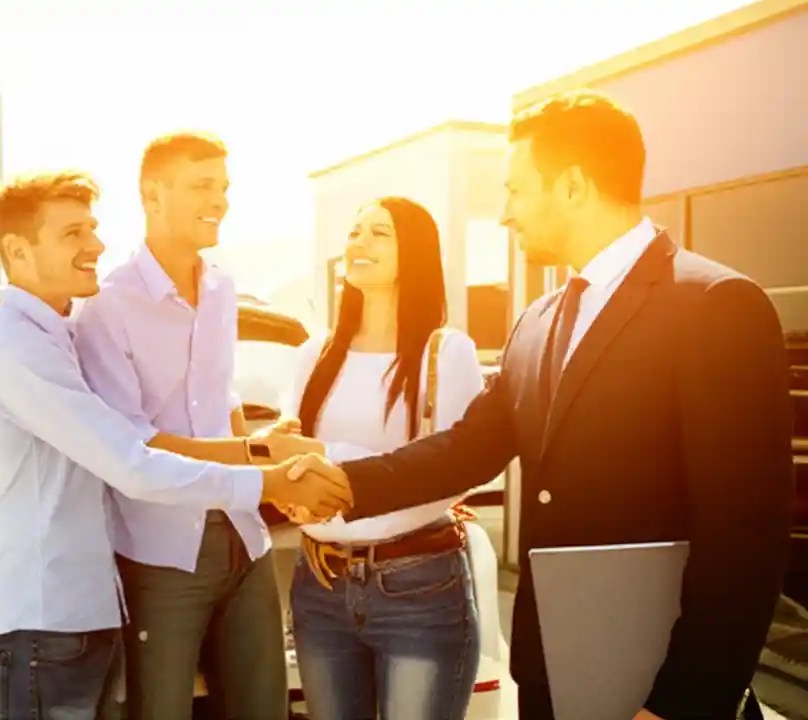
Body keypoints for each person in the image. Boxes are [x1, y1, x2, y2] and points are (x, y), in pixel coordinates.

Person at [288, 90, 794, 719]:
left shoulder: (717, 305)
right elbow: (470, 448)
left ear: (574, 185)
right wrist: (343, 483)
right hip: (554, 672)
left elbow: (746, 535)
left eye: (517, 190)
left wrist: (680, 703)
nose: (504, 213)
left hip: (658, 686)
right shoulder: (539, 319)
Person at [0, 170, 353, 720]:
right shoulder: (16, 349)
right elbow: (131, 463)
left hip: (79, 621)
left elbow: (195, 397)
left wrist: (255, 448)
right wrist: (266, 478)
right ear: (17, 251)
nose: (95, 244)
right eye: (73, 233)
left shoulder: (62, 337)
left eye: (93, 228)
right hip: (39, 631)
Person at [72, 132, 318, 718]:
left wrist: (264, 454)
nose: (221, 201)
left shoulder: (222, 290)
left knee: (264, 711)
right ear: (152, 195)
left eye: (224, 187)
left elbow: (218, 396)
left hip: (244, 538)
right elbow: (136, 444)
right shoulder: (107, 307)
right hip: (162, 554)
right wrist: (263, 458)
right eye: (202, 186)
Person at [279, 196, 483, 719]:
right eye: (354, 231)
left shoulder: (446, 352)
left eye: (379, 233)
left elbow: (453, 472)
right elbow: (290, 454)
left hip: (419, 586)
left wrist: (335, 467)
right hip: (320, 587)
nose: (359, 242)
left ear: (413, 252)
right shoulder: (314, 355)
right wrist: (293, 491)